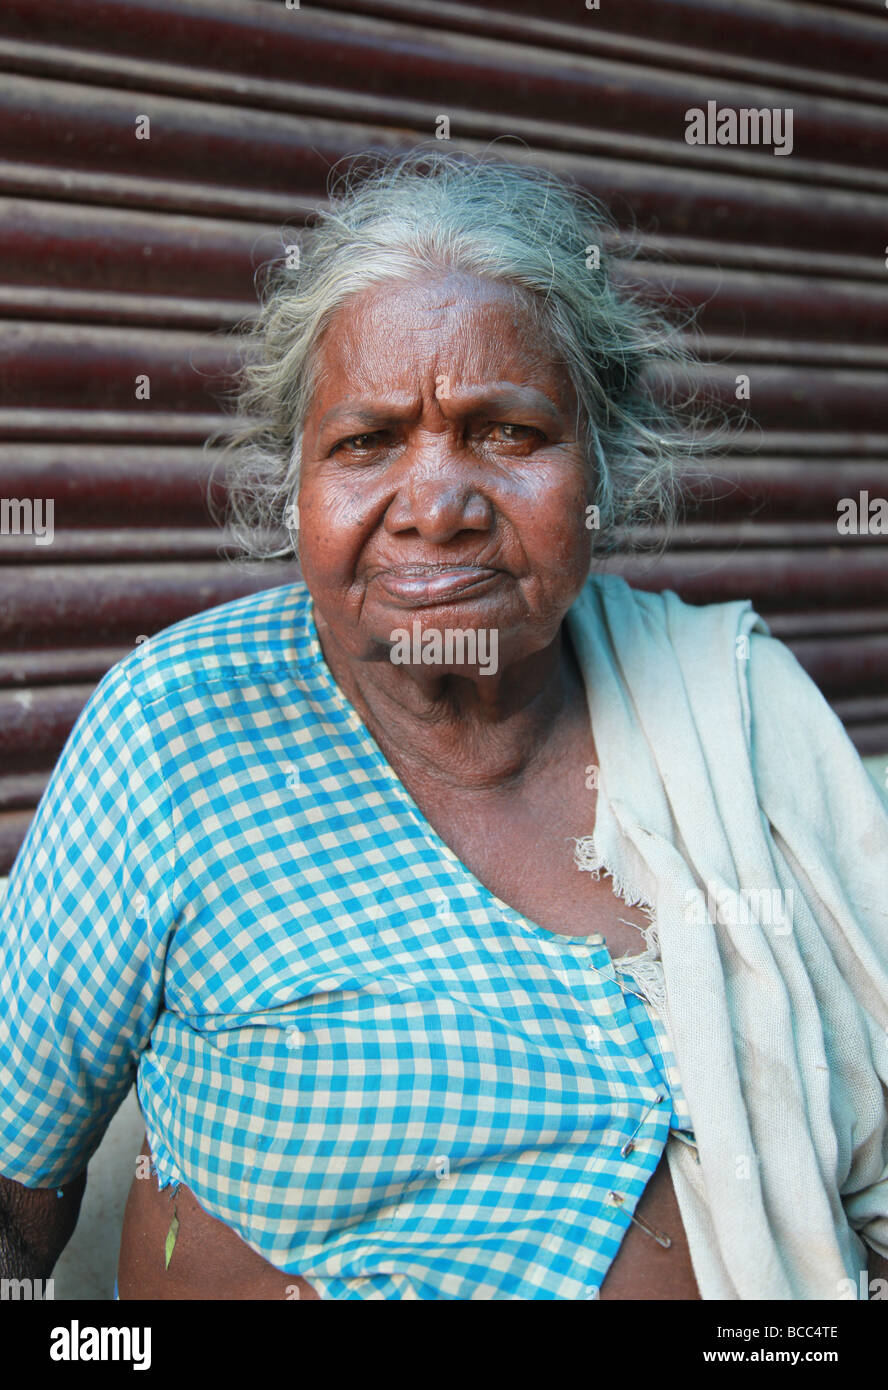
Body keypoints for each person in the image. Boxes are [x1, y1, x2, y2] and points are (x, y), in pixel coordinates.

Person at [1, 151, 886, 1301]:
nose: (436, 506)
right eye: (367, 442)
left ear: (604, 465)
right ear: (297, 489)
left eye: (507, 433)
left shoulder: (737, 706)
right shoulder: (178, 733)